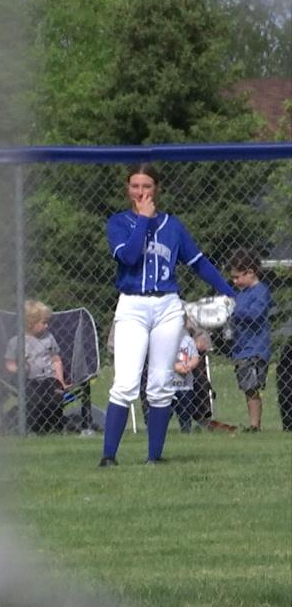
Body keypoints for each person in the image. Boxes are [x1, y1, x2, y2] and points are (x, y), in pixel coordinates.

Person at [100, 163, 235, 467]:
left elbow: (199, 262)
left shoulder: (173, 227)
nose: (141, 191)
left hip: (167, 306)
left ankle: (154, 457)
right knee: (125, 382)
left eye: (147, 186)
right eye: (135, 185)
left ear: (156, 188)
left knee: (161, 383)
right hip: (133, 305)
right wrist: (144, 221)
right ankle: (109, 457)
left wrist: (229, 292)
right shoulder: (119, 223)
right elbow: (130, 256)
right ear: (127, 188)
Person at [4, 299, 68, 434]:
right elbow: (9, 363)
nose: (47, 326)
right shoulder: (16, 341)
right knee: (33, 395)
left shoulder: (49, 338)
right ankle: (32, 426)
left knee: (55, 394)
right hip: (28, 379)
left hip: (48, 377)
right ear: (30, 323)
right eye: (43, 323)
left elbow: (56, 359)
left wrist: (60, 380)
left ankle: (55, 425)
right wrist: (18, 369)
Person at [227, 249, 271, 432]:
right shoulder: (241, 294)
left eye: (238, 277)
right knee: (247, 387)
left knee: (252, 387)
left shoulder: (260, 292)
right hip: (241, 348)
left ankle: (255, 425)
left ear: (250, 272)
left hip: (256, 348)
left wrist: (234, 310)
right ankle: (253, 423)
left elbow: (255, 314)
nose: (235, 281)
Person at [172, 318, 205, 433]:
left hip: (185, 386)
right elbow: (160, 360)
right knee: (165, 411)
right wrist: (175, 367)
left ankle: (185, 430)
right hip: (167, 386)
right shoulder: (164, 340)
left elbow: (195, 357)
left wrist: (189, 366)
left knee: (185, 411)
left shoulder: (188, 340)